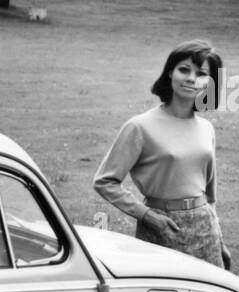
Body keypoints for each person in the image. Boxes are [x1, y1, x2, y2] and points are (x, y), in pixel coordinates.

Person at [93, 39, 232, 270]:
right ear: (170, 73)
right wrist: (147, 216)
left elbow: (210, 196)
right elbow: (105, 181)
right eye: (184, 70)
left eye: (201, 74)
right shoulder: (139, 127)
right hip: (161, 227)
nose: (191, 78)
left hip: (205, 230)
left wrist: (219, 239)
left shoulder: (207, 128)